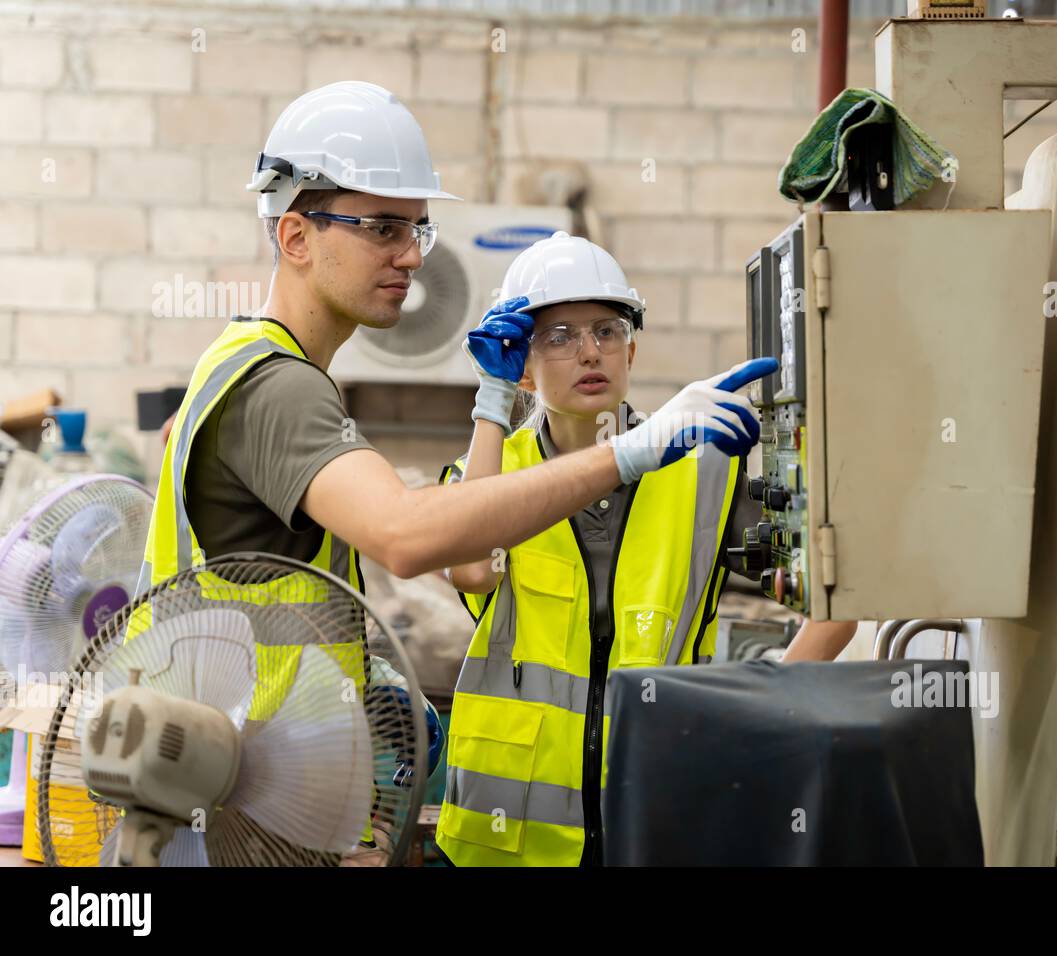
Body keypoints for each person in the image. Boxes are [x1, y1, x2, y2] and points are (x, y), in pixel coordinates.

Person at [137, 81, 773, 860]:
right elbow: (408, 537)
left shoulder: (255, 369)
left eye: (416, 230)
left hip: (236, 790)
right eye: (381, 228)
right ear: (296, 236)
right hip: (233, 807)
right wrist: (630, 451)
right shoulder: (279, 386)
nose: (410, 255)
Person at [434, 232, 857, 867]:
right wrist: (491, 402)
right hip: (506, 841)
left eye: (606, 330)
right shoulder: (489, 475)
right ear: (520, 364)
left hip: (655, 823)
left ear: (631, 347)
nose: (588, 352)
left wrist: (760, 712)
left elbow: (837, 603)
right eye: (558, 336)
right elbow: (470, 569)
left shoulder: (705, 467)